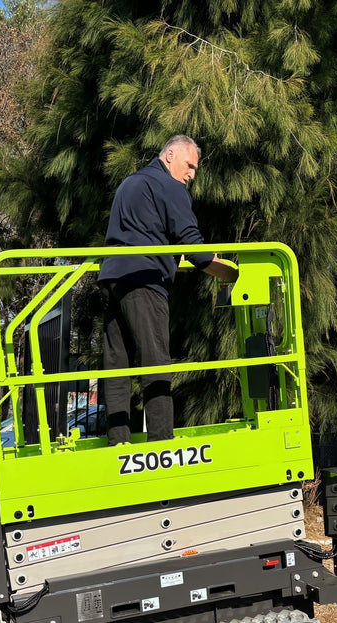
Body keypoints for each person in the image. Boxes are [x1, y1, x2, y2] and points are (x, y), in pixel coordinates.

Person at [97, 135, 239, 446]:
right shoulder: (169, 186)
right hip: (145, 280)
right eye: (189, 166)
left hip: (112, 279)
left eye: (195, 170)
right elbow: (196, 249)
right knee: (155, 361)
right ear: (170, 155)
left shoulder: (128, 184)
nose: (191, 175)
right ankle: (162, 441)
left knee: (117, 364)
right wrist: (227, 271)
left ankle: (118, 440)